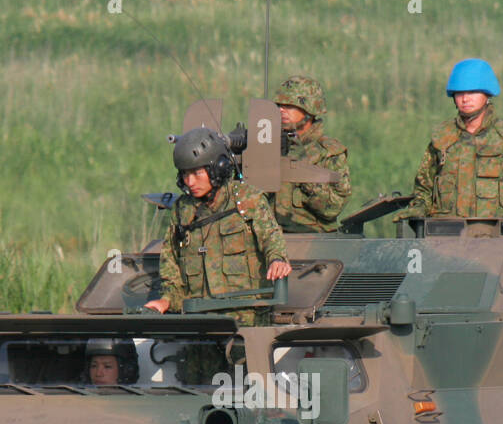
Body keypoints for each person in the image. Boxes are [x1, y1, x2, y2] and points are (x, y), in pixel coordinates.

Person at [146, 127, 290, 327]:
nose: (190, 182)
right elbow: (171, 262)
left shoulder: (246, 199)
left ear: (218, 168)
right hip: (199, 320)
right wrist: (167, 299)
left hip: (246, 319)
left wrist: (277, 260)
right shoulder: (183, 210)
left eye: (197, 173)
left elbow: (271, 237)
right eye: (185, 174)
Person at [405, 59, 503, 227]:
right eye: (459, 93)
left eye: (472, 92)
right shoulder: (442, 139)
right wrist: (420, 207)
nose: (465, 99)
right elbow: (423, 188)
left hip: (497, 236)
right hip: (447, 237)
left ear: (487, 94)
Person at [270, 75, 352, 232]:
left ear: (310, 110)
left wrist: (304, 172)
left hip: (312, 243)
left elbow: (333, 207)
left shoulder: (329, 152)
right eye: (279, 105)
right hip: (271, 244)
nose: (281, 110)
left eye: (289, 105)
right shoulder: (268, 145)